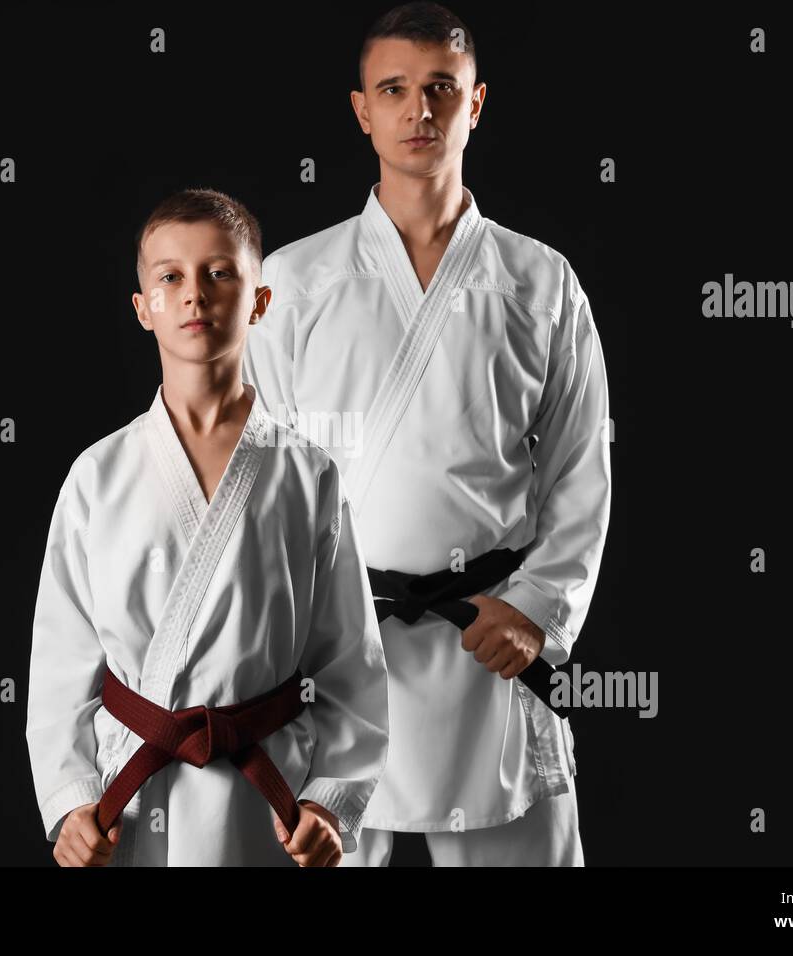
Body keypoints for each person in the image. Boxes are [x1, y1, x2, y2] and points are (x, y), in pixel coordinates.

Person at [243, 2, 611, 866]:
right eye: (395, 90)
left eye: (440, 89)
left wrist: (537, 607)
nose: (419, 111)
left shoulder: (539, 281)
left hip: (486, 639)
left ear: (475, 104)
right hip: (335, 651)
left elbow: (579, 470)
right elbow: (260, 484)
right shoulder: (295, 283)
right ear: (361, 109)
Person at [26, 188, 389, 866]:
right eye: (170, 277)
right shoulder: (97, 475)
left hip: (267, 797)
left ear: (259, 301)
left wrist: (327, 801)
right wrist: (73, 803)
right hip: (132, 797)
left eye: (220, 273)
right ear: (144, 309)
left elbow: (351, 668)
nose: (195, 295)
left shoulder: (308, 474)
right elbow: (58, 671)